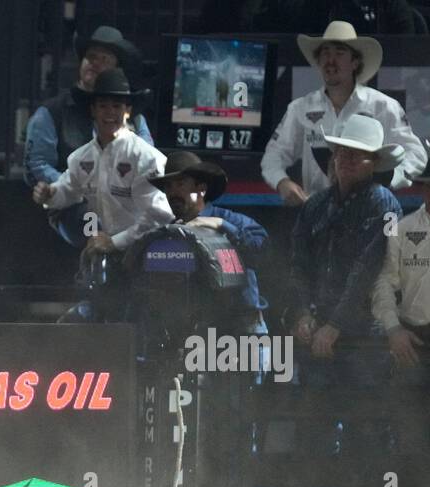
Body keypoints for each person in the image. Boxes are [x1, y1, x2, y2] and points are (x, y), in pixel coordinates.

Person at [290, 114, 403, 383]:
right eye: (342, 152)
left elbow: (370, 268)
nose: (347, 160)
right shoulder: (314, 205)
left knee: (364, 417)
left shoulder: (386, 206)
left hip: (365, 331)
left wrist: (334, 326)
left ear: (374, 163)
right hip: (318, 323)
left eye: (358, 155)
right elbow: (298, 263)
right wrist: (302, 312)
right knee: (313, 415)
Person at [262, 21, 425, 206]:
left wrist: (389, 179)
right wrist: (282, 182)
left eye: (339, 53)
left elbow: (416, 154)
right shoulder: (300, 108)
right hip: (316, 216)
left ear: (355, 62)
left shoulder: (383, 106)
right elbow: (272, 156)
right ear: (318, 61)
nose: (330, 60)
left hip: (368, 211)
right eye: (325, 53)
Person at [24, 26, 155, 248]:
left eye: (105, 59)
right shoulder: (52, 112)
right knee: (94, 221)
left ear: (117, 69)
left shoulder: (135, 118)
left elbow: (149, 164)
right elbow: (38, 165)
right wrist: (80, 190)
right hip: (73, 208)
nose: (95, 63)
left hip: (123, 204)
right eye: (91, 57)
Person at [150, 150, 271, 335]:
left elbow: (263, 250)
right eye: (168, 186)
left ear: (201, 188)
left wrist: (223, 226)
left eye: (181, 184)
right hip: (197, 335)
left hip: (244, 331)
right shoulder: (170, 234)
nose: (173, 192)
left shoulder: (230, 220)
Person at [372, 145, 430, 449]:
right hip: (417, 343)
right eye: (429, 186)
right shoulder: (402, 230)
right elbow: (383, 283)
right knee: (411, 435)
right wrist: (393, 328)